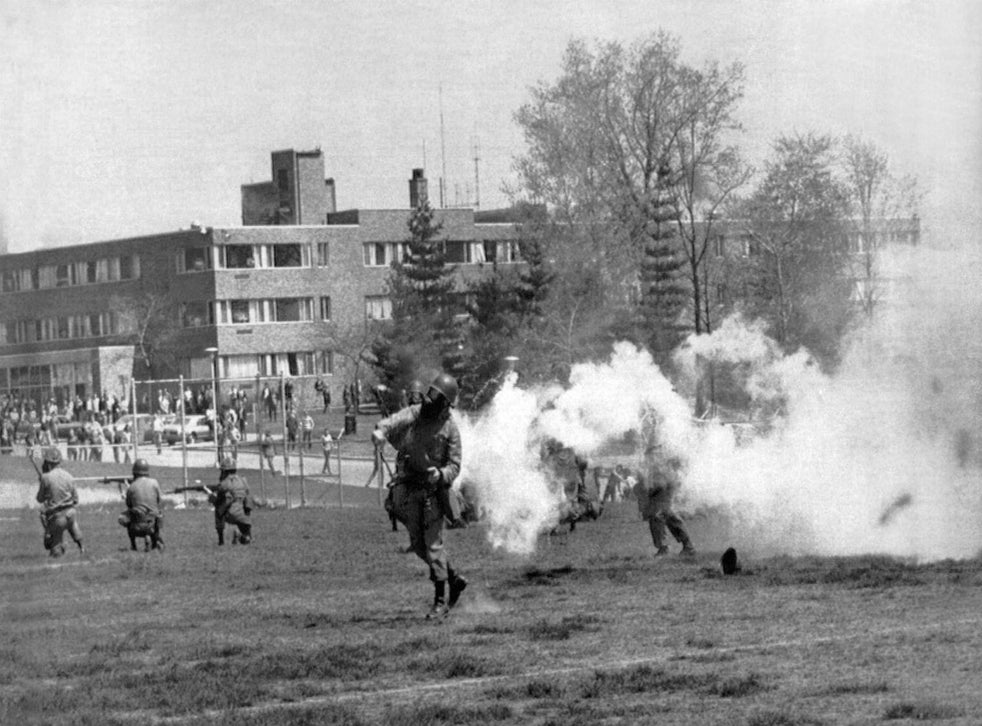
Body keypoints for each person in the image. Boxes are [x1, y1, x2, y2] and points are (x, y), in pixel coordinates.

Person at [372, 372, 467, 619]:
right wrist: (380, 431)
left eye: (437, 396)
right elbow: (394, 421)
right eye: (431, 393)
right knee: (418, 545)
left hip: (433, 493)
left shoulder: (451, 429)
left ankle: (440, 601)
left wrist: (441, 474)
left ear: (446, 403)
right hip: (410, 487)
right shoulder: (416, 412)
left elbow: (455, 465)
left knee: (433, 545)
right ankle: (453, 578)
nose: (430, 399)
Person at [635, 449, 695, 557]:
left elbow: (660, 485)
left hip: (662, 497)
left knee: (658, 518)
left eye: (650, 456)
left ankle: (665, 548)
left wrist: (648, 489)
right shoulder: (658, 467)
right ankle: (686, 546)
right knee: (671, 519)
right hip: (662, 498)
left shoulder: (660, 467)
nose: (648, 459)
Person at [35, 447, 84, 557]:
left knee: (54, 550)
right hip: (71, 514)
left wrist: (43, 485)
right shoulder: (69, 476)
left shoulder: (46, 477)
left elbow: (40, 499)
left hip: (57, 517)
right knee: (72, 525)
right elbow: (76, 499)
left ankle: (54, 542)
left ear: (48, 463)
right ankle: (81, 547)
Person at [118, 458, 164, 551]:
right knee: (158, 514)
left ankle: (133, 545)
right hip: (152, 523)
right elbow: (160, 500)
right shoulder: (154, 483)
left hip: (136, 526)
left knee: (124, 516)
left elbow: (129, 504)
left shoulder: (132, 487)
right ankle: (155, 541)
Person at [207, 456, 253, 545]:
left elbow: (218, 500)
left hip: (231, 514)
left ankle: (221, 541)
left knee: (218, 508)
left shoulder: (224, 483)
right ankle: (244, 535)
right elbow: (248, 499)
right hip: (244, 517)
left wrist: (211, 496)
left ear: (224, 471)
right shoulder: (243, 480)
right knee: (246, 540)